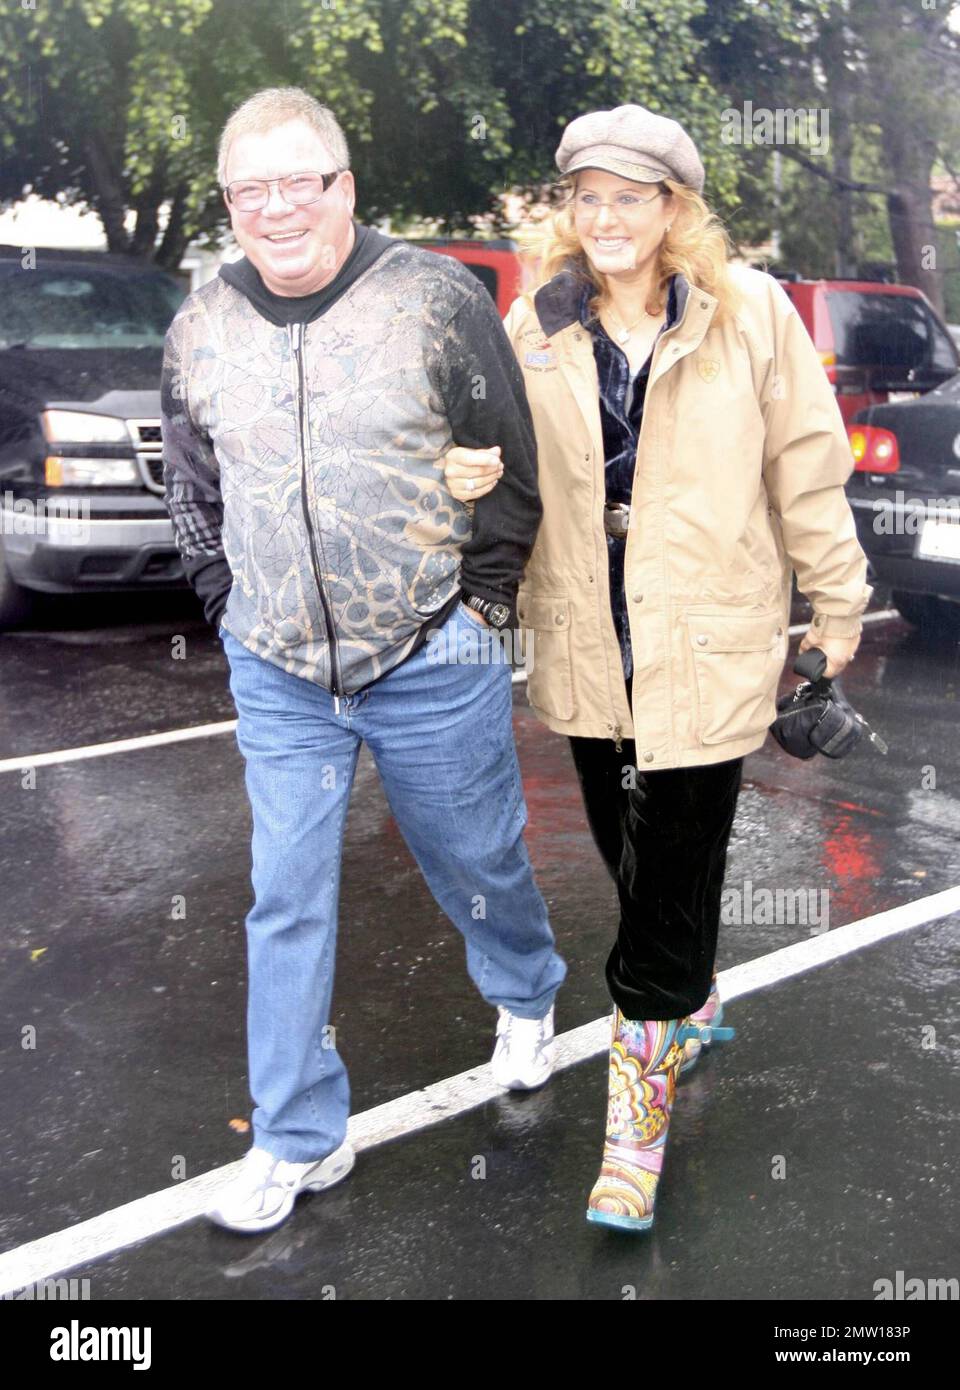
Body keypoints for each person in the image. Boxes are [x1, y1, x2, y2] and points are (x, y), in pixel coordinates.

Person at [443, 104, 872, 1232]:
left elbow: (808, 471)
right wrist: (460, 480)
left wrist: (838, 604)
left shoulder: (753, 317)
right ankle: (693, 989)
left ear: (675, 209)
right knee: (632, 859)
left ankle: (635, 1121)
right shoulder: (534, 327)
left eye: (630, 196)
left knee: (672, 869)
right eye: (586, 196)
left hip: (711, 643)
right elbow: (502, 477)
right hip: (588, 645)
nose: (605, 217)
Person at [160, 86, 566, 1235]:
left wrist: (479, 611)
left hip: (429, 648)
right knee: (283, 895)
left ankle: (527, 989)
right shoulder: (199, 326)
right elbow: (191, 488)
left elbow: (509, 461)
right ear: (231, 203)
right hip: (278, 668)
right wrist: (229, 603)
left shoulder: (433, 299)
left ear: (343, 186)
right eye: (252, 188)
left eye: (301, 182)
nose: (277, 208)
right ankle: (297, 1135)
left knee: (473, 858)